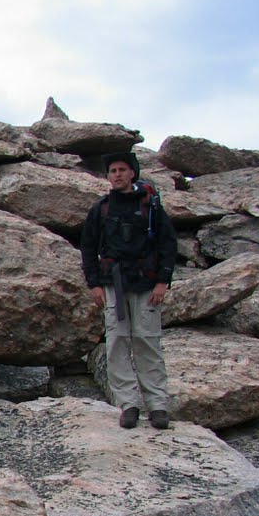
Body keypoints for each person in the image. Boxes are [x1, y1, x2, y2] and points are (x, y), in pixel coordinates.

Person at [81, 151, 178, 429]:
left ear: (132, 173)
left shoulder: (152, 207)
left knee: (147, 341)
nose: (117, 174)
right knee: (117, 342)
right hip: (114, 285)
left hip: (146, 284)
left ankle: (158, 406)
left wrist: (163, 281)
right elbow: (88, 247)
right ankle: (129, 405)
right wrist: (94, 284)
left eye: (122, 169)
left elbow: (168, 245)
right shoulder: (101, 208)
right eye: (112, 170)